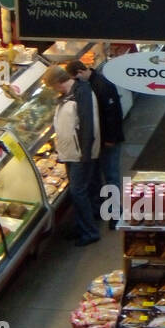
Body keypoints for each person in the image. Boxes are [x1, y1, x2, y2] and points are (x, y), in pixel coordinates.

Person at [41, 64, 100, 245]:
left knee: (78, 192)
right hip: (71, 152)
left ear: (58, 83)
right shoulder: (69, 95)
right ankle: (82, 226)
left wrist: (85, 154)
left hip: (80, 153)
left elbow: (88, 126)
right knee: (80, 191)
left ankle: (90, 232)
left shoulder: (81, 94)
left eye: (52, 87)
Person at [64, 59, 125, 229]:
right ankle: (99, 210)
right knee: (96, 178)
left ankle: (115, 215)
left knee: (111, 177)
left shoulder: (102, 86)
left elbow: (113, 115)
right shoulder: (88, 85)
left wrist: (110, 139)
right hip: (97, 141)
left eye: (74, 79)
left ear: (80, 72)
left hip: (107, 141)